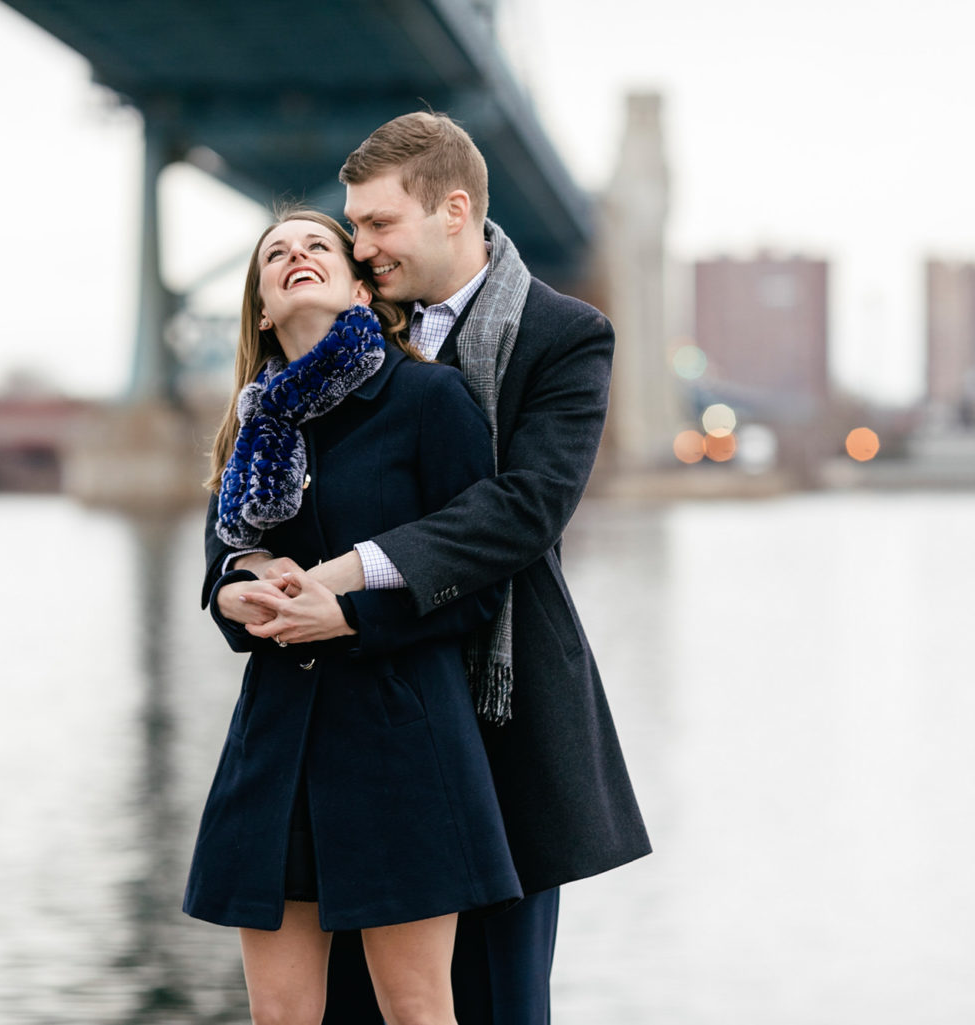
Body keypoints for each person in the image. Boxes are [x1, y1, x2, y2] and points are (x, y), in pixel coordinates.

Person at [203, 113, 652, 1024]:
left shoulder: (562, 336)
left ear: (454, 211)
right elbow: (254, 510)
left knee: (494, 1000)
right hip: (345, 724)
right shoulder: (338, 344)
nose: (356, 247)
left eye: (374, 225)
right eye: (352, 227)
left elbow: (526, 507)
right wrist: (239, 583)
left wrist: (344, 582)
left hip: (497, 706)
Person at [183, 208, 522, 1025]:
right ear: (263, 307)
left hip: (400, 742)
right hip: (277, 747)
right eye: (275, 255)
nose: (296, 255)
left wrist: (350, 617)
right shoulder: (248, 427)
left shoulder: (429, 400)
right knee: (281, 1017)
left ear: (360, 284)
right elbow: (223, 571)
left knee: (415, 1011)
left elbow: (478, 579)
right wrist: (232, 592)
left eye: (316, 247)